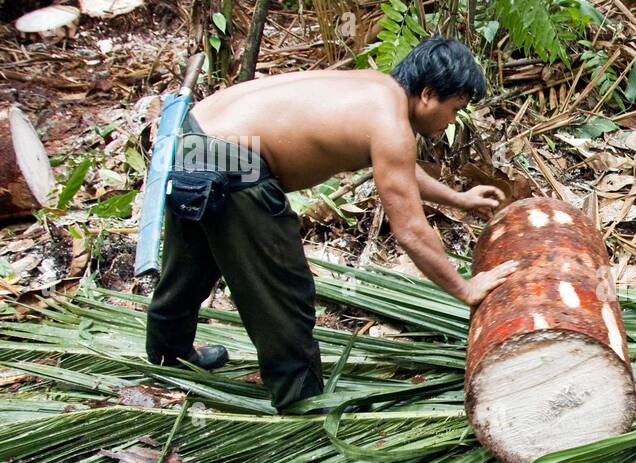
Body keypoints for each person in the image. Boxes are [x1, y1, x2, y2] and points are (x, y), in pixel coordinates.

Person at [144, 36, 517, 412]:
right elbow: (411, 232)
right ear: (428, 94)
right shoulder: (391, 125)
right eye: (455, 108)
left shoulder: (376, 89)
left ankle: (168, 352)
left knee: (193, 260)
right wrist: (464, 288)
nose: (452, 120)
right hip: (233, 162)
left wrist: (457, 198)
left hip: (190, 135)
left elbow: (398, 168)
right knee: (283, 287)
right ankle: (302, 400)